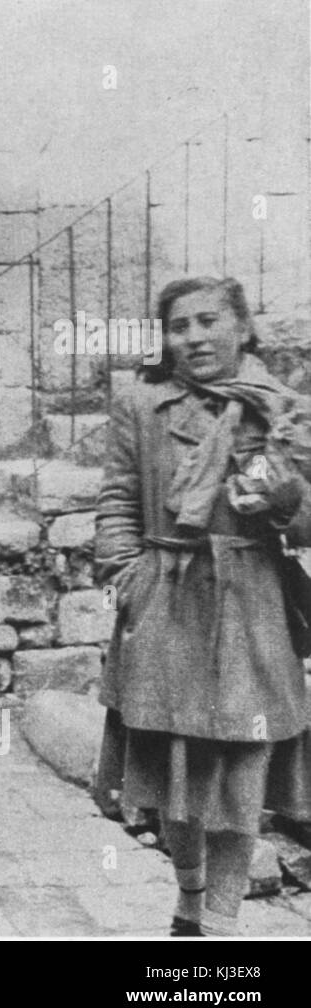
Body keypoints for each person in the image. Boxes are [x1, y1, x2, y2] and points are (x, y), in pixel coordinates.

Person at [95, 276, 311, 936]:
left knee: (242, 776)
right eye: (179, 325)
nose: (192, 337)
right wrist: (129, 577)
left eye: (208, 321)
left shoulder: (285, 411)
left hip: (251, 602)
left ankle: (218, 931)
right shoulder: (139, 403)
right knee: (173, 778)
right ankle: (187, 903)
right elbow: (117, 500)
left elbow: (305, 522)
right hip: (166, 598)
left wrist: (283, 502)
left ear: (244, 328)